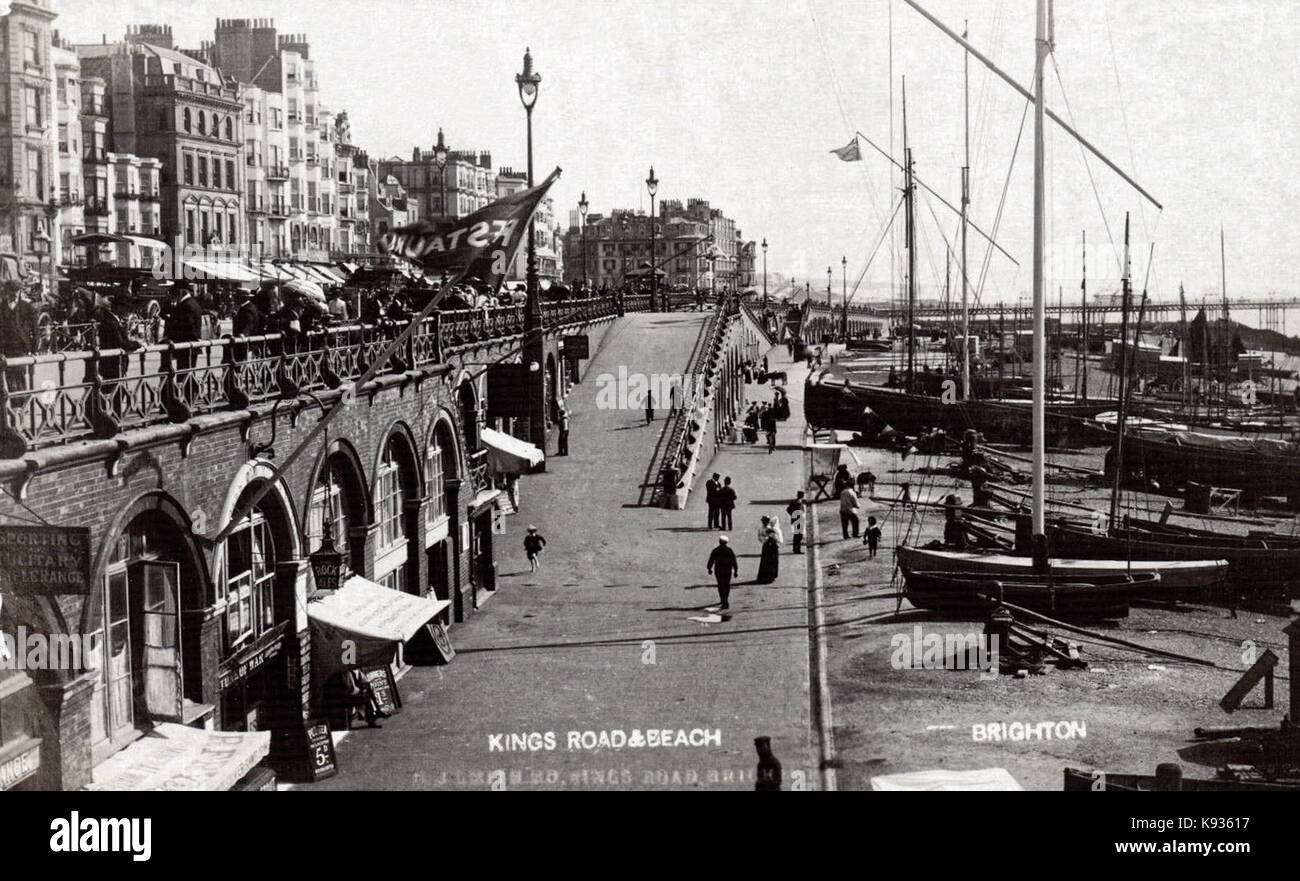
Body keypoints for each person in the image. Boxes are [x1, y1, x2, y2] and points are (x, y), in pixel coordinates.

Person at [0, 280, 39, 390]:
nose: (15, 293)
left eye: (17, 290)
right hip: (5, 348)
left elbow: (35, 328)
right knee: (9, 378)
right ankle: (14, 405)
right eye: (12, 290)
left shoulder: (26, 306)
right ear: (7, 292)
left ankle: (22, 405)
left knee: (20, 376)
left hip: (21, 347)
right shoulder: (1, 306)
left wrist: (34, 348)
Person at [93, 294, 140, 381]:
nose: (127, 312)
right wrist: (137, 344)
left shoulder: (113, 319)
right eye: (126, 308)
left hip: (113, 363)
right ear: (118, 307)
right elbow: (120, 343)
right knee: (113, 390)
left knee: (114, 391)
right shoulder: (111, 321)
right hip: (113, 365)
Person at [163, 282, 204, 370]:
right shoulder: (194, 303)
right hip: (191, 346)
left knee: (183, 374)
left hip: (186, 347)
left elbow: (186, 326)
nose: (174, 297)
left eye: (175, 294)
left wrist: (171, 321)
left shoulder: (186, 306)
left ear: (182, 292)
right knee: (189, 374)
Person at [706, 535, 740, 610]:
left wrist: (709, 568)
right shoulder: (729, 550)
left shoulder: (715, 550)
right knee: (727, 585)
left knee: (720, 585)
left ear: (719, 542)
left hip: (718, 570)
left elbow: (711, 560)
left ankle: (723, 599)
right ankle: (725, 598)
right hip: (727, 570)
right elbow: (734, 561)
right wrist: (735, 571)